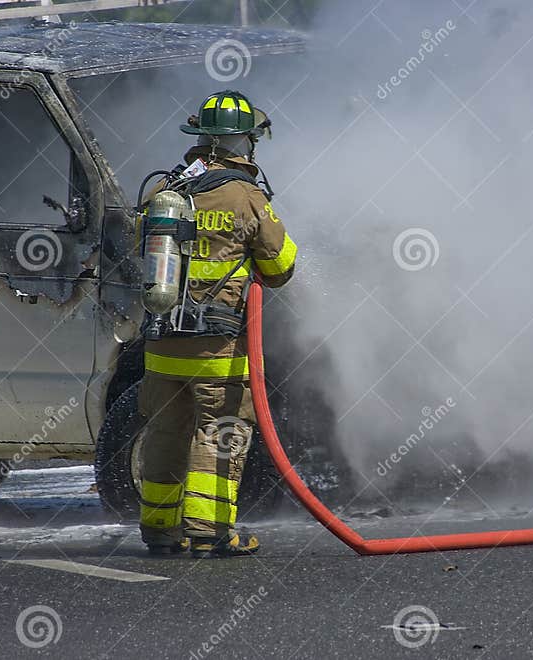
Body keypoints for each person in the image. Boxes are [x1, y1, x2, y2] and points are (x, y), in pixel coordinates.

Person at [138, 90, 297, 558]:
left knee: (166, 433)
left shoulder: (165, 192)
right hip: (217, 347)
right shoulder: (245, 197)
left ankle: (159, 531)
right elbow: (281, 268)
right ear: (244, 142)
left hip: (162, 341)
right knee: (219, 430)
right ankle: (210, 529)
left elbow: (139, 251)